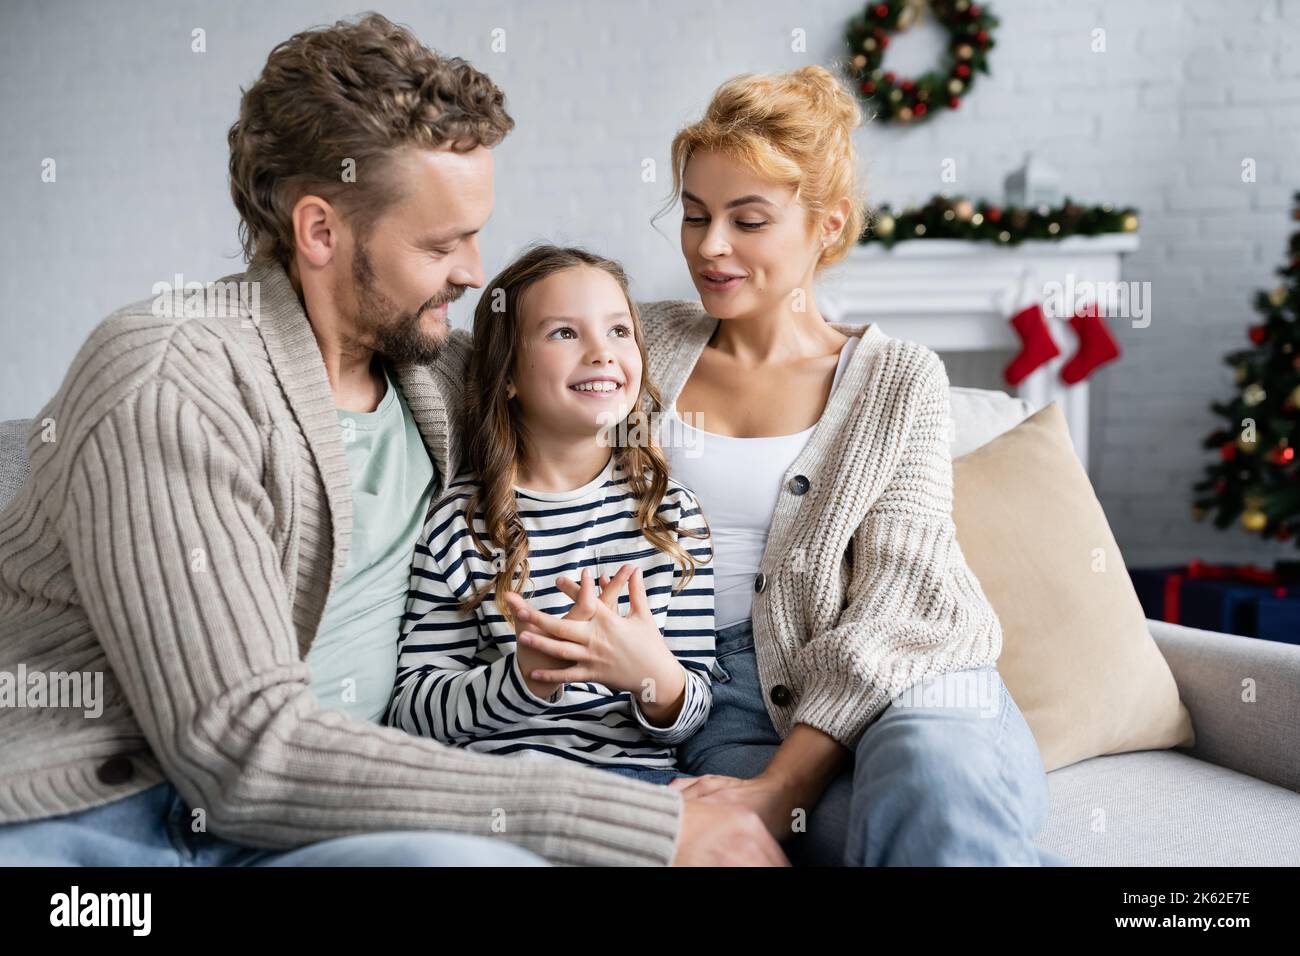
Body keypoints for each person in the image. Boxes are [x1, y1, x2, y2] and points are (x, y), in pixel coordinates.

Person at [0, 14, 785, 868]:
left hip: (332, 809)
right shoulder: (169, 378)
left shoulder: (444, 372)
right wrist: (641, 825)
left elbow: (606, 360)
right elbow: (240, 753)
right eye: (442, 242)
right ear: (321, 231)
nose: (473, 271)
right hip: (108, 813)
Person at [639, 65, 1063, 866]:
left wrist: (785, 785)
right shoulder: (639, 342)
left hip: (914, 671)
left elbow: (904, 600)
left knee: (936, 781)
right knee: (894, 847)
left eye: (748, 219)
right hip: (722, 703)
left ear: (827, 226)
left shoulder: (899, 377)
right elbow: (491, 363)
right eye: (695, 216)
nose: (711, 246)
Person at [385, 244, 715, 788]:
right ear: (508, 375)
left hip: (632, 784)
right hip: (493, 791)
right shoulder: (457, 526)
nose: (602, 353)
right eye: (564, 333)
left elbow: (693, 713)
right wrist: (523, 678)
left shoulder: (672, 518)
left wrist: (652, 677)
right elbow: (412, 713)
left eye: (618, 331)